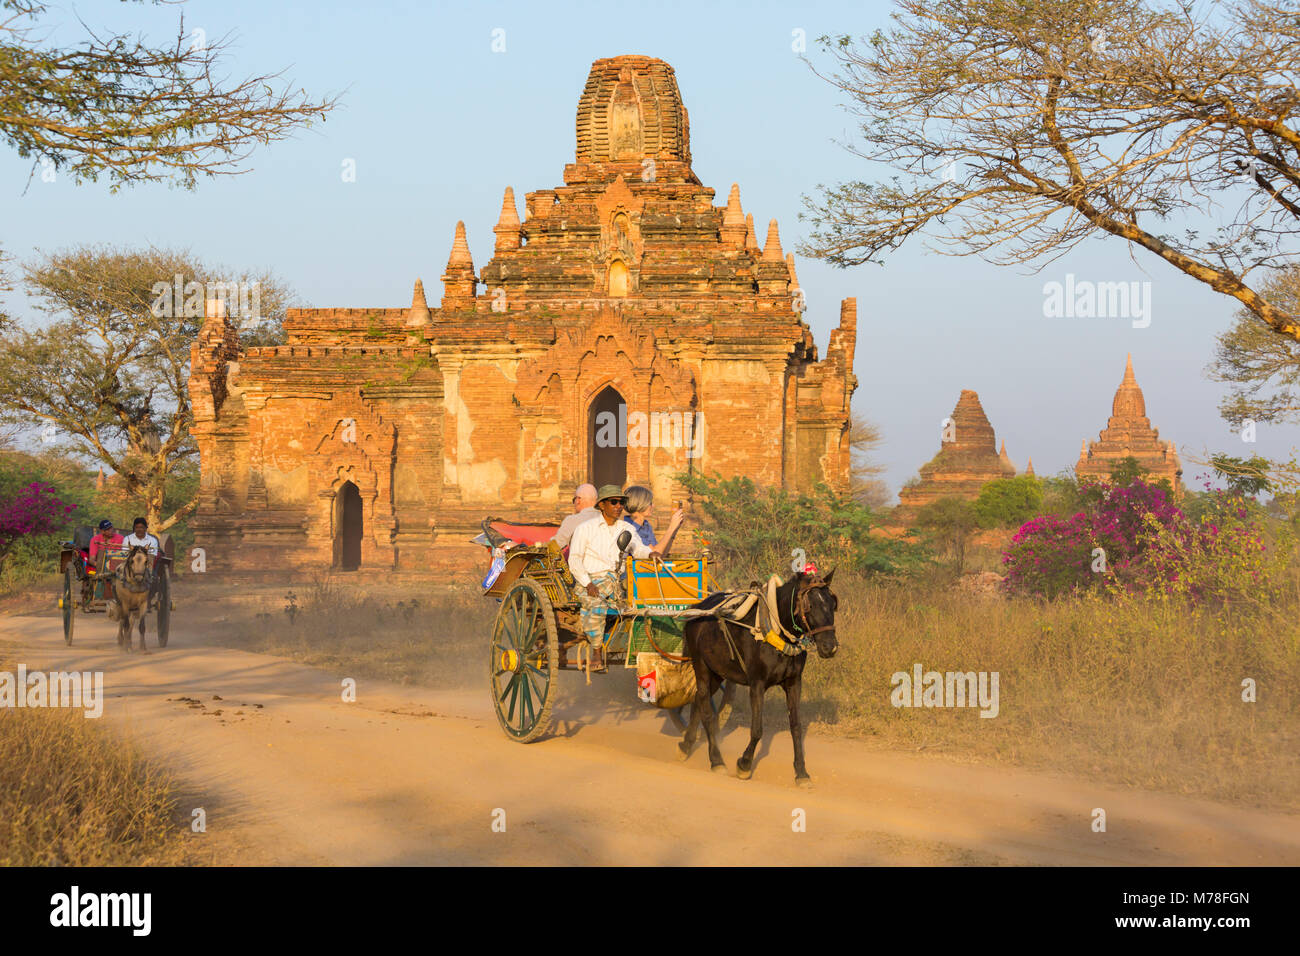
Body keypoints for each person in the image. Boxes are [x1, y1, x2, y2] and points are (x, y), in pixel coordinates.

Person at [566, 485, 682, 670]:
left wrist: (650, 555)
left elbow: (639, 549)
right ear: (601, 505)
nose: (619, 506)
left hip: (617, 584)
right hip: (590, 582)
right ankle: (596, 652)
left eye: (621, 502)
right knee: (596, 605)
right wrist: (588, 584)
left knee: (649, 605)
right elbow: (575, 561)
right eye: (614, 502)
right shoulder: (585, 529)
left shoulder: (626, 528)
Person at [621, 485, 684, 552]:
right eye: (650, 503)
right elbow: (653, 554)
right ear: (641, 504)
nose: (653, 506)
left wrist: (675, 529)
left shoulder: (646, 526)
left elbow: (660, 554)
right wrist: (671, 527)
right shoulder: (628, 528)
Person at [552, 483, 598, 550]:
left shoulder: (572, 520)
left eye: (574, 500)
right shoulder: (606, 518)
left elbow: (556, 545)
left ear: (578, 500)